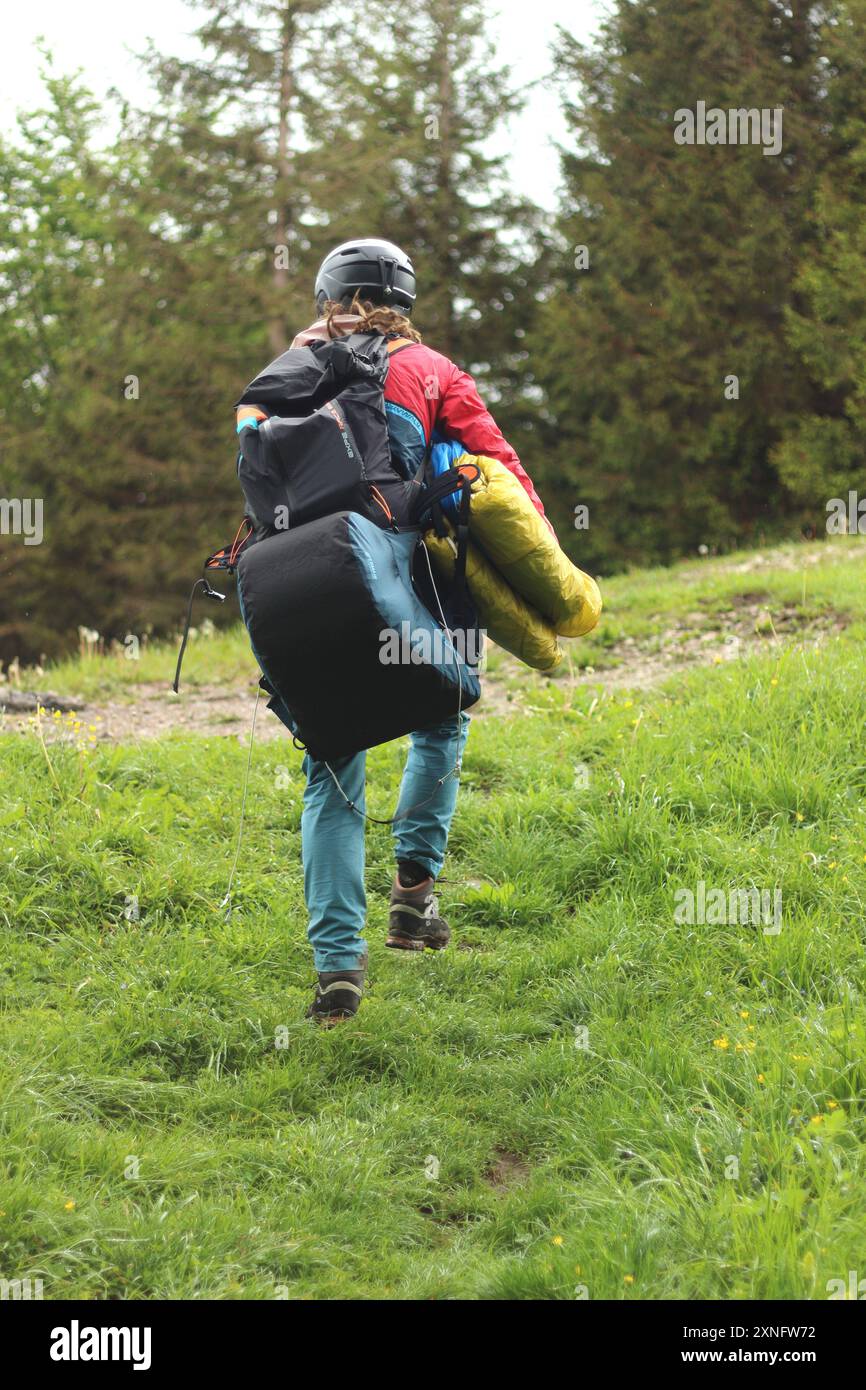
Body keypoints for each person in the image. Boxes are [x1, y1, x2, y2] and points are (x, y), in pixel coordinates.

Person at [237, 238, 551, 1024]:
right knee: (441, 717)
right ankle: (413, 897)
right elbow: (498, 467)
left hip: (300, 587)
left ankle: (338, 970)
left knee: (332, 770)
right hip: (399, 582)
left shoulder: (288, 371)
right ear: (404, 303)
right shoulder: (432, 369)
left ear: (326, 299)